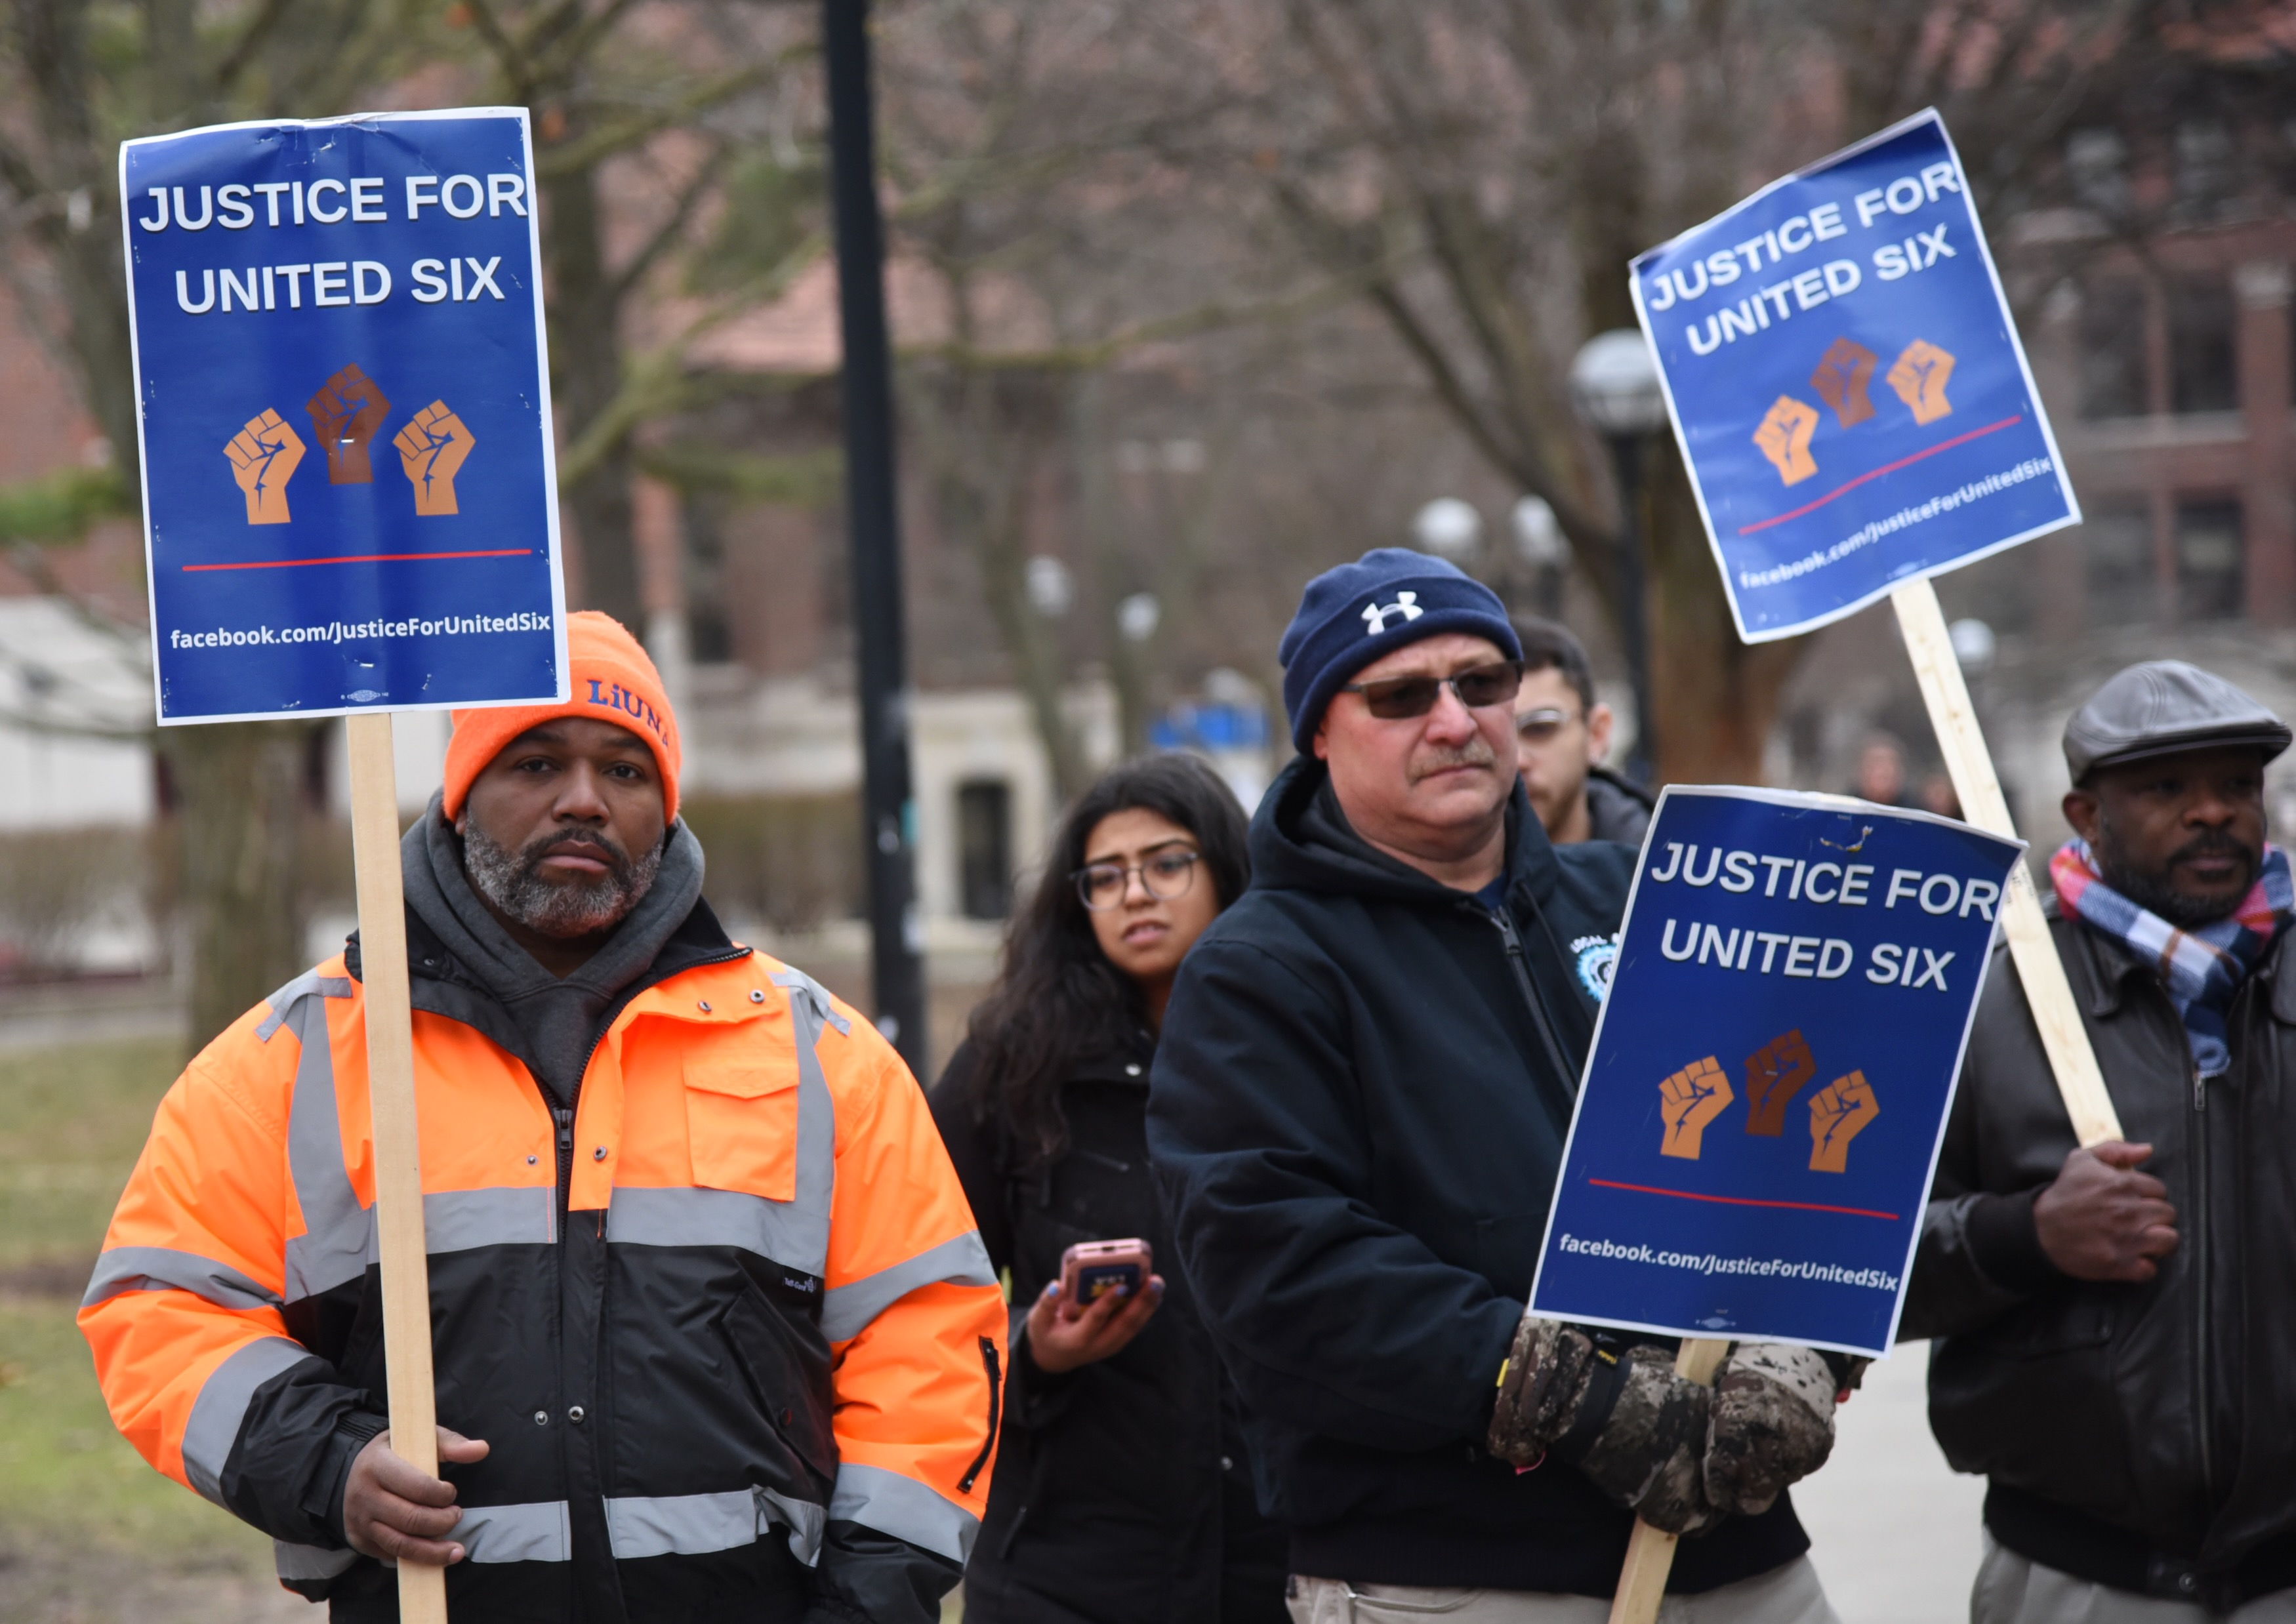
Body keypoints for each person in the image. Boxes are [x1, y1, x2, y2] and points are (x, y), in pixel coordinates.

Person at [79, 613, 1005, 1623]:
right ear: (461, 794)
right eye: (536, 762)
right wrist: (325, 1464)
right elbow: (157, 1307)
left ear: (667, 803)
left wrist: (868, 1602)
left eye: (625, 770)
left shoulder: (818, 1053)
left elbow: (931, 1336)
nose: (584, 800)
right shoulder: (306, 1054)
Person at [1148, 548, 1847, 1623]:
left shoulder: (1646, 901)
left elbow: (1802, 1140)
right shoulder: (1258, 971)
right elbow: (1277, 1265)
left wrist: (1808, 1337)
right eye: (1399, 694)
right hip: (1460, 1575)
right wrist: (1573, 1399)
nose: (1454, 717)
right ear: (1320, 731)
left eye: (1482, 681)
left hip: (1737, 1560)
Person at [1903, 660, 2296, 1621]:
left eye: (2237, 786)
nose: (2214, 813)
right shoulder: (1983, 1003)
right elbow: (1868, 1262)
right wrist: (2026, 1234)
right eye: (2167, 789)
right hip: (2078, 1575)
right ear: (2084, 814)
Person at [931, 753, 1286, 1623]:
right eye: (1105, 876)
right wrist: (1036, 1350)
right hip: (1067, 1570)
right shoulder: (1008, 1070)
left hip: (1278, 1560)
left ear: (1227, 870)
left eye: (1167, 863)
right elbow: (915, 1304)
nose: (1136, 893)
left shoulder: (1300, 1054)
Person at [1511, 617, 1651, 847]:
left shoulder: (1665, 870)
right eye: (1496, 736)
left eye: (1540, 727)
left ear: (1597, 733)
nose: (1518, 761)